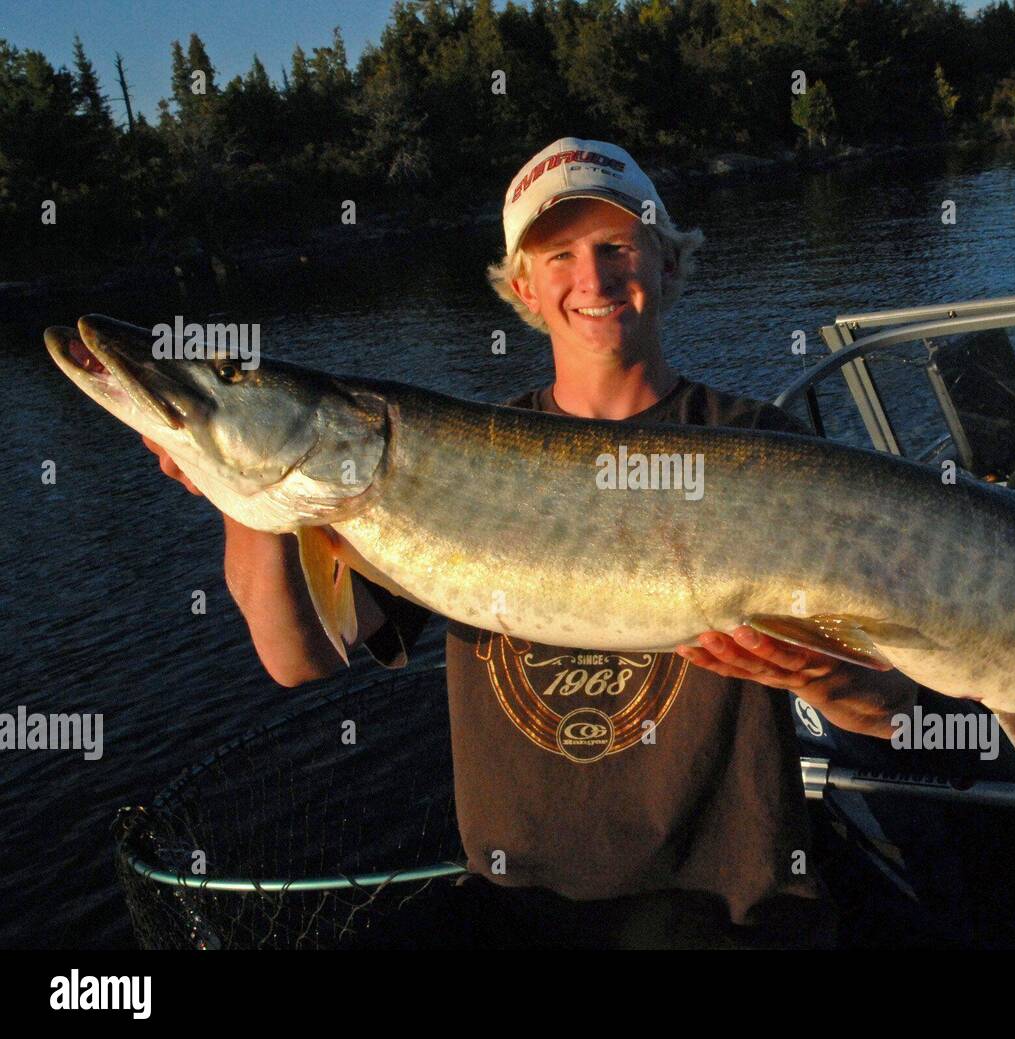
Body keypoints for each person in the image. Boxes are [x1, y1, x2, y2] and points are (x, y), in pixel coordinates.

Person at [143, 137, 919, 949]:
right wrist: (238, 486)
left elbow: (893, 710)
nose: (594, 278)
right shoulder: (426, 465)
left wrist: (831, 676)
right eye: (559, 255)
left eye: (618, 246)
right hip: (518, 909)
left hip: (728, 905)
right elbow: (295, 655)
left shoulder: (762, 443)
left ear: (665, 260)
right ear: (523, 286)